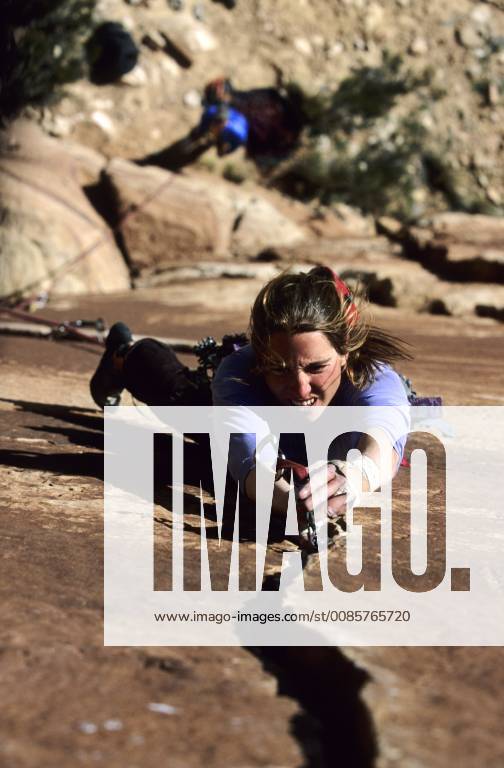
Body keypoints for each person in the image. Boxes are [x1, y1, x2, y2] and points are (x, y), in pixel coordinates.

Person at [91, 266, 410, 539]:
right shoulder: (238, 375)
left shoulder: (374, 380)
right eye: (279, 369)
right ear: (259, 360)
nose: (300, 389)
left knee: (192, 462)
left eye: (316, 368)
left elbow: (382, 436)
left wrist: (354, 476)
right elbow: (251, 463)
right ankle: (125, 355)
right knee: (182, 395)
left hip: (288, 451)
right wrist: (295, 506)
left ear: (345, 354)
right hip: (243, 423)